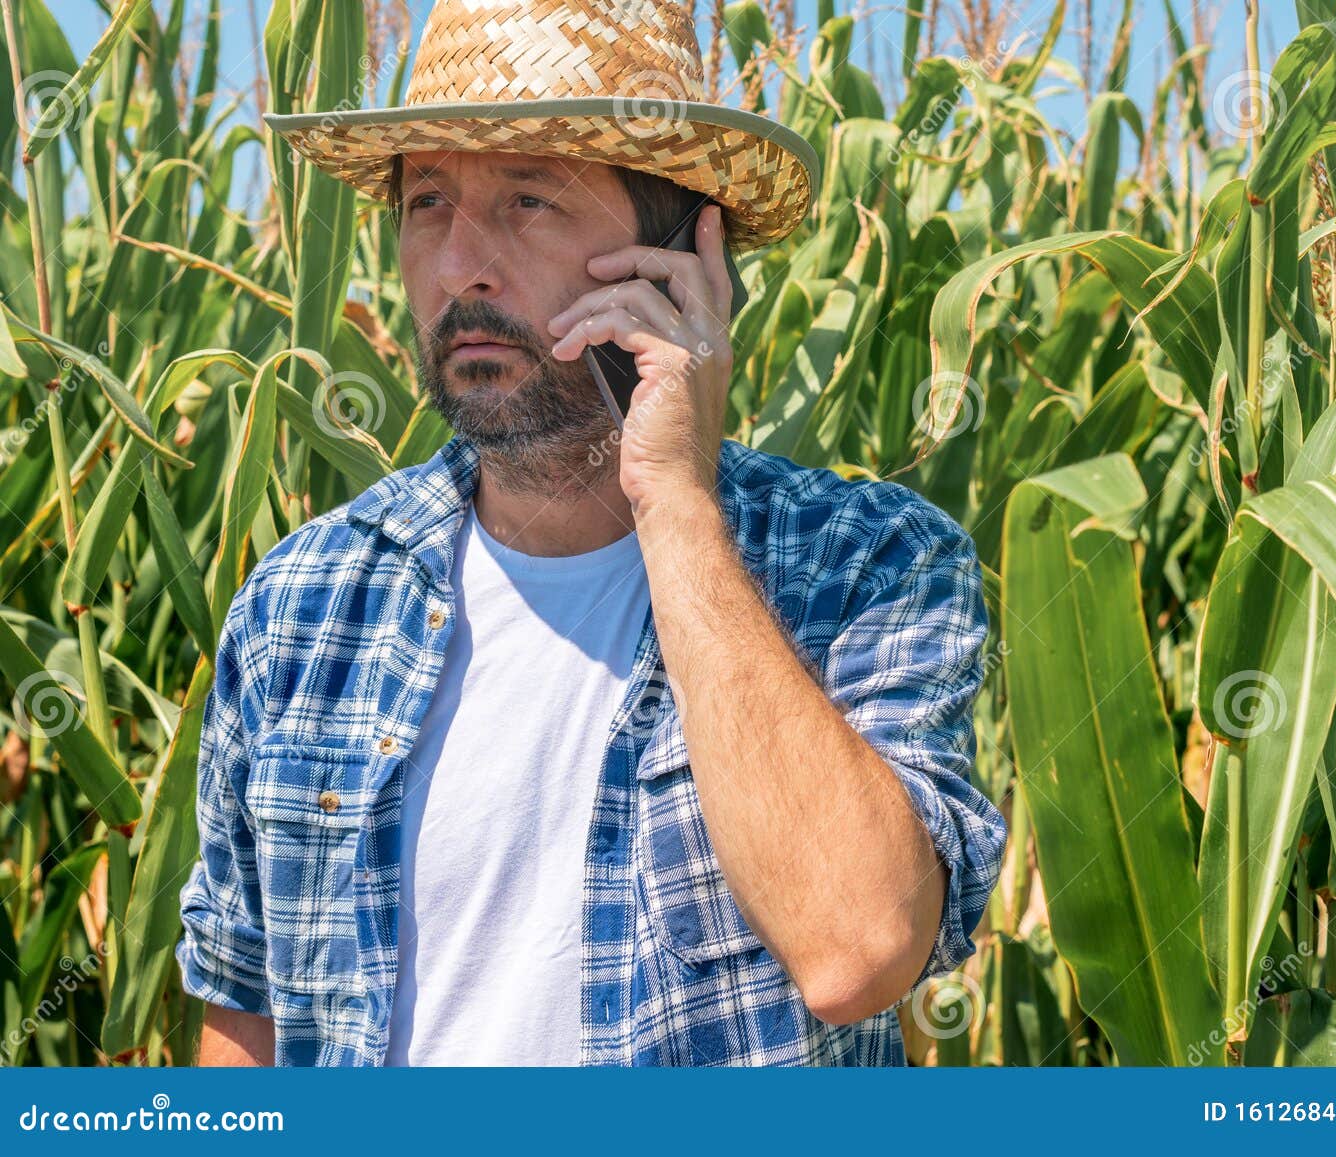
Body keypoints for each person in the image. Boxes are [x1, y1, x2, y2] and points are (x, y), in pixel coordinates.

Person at [176, 0, 1005, 1067]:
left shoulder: (870, 569)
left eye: (530, 199)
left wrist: (673, 499)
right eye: (428, 201)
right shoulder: (302, 603)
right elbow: (245, 1018)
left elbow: (857, 947)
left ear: (676, 254)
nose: (459, 267)